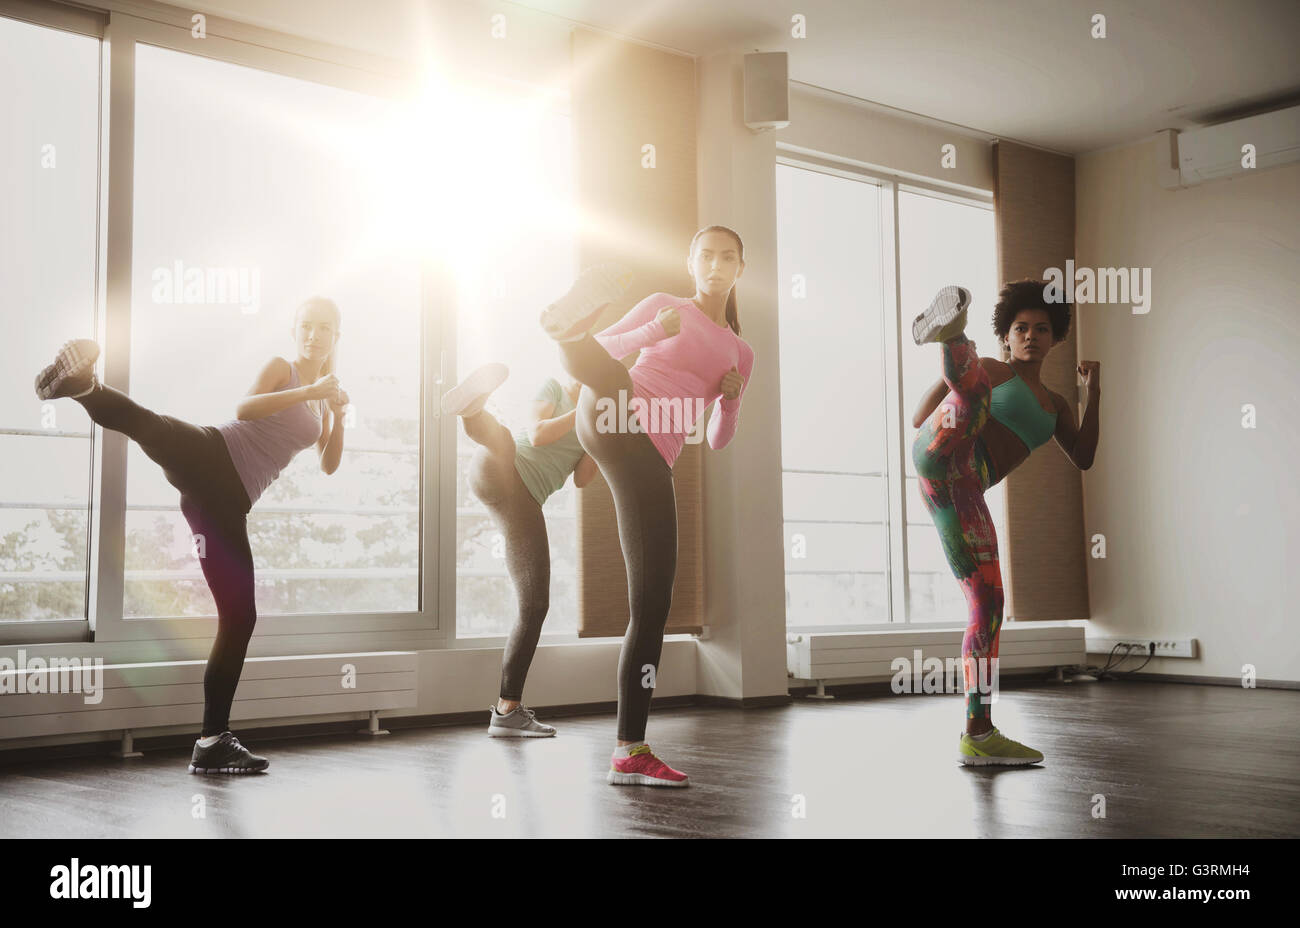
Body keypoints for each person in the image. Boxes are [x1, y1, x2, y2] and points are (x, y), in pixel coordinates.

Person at [34, 297, 350, 774]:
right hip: (215, 453)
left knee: (239, 616)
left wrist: (338, 414)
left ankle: (211, 741)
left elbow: (328, 462)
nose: (313, 335)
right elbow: (244, 407)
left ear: (336, 336)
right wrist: (308, 394)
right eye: (306, 326)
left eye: (323, 328)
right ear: (295, 330)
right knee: (152, 427)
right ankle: (82, 386)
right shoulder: (283, 368)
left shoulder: (323, 393)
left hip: (222, 503)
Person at [538, 226, 755, 786]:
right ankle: (568, 326)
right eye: (705, 254)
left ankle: (628, 749)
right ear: (690, 261)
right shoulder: (665, 305)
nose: (715, 264)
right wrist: (655, 329)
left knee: (652, 605)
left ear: (739, 268)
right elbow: (608, 351)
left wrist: (730, 402)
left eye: (726, 257)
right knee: (606, 369)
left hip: (649, 453)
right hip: (614, 409)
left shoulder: (739, 351)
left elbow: (717, 441)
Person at [909, 281, 1101, 766]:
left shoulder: (1056, 406)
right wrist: (963, 376)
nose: (1030, 336)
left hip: (961, 490)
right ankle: (950, 336)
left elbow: (1083, 457)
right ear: (1006, 337)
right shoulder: (993, 369)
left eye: (1041, 329)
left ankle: (979, 730)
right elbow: (918, 418)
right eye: (1020, 328)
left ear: (1055, 338)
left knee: (989, 604)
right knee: (973, 401)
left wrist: (1092, 393)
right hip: (942, 449)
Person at [440, 363, 599, 736]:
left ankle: (507, 710)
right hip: (499, 467)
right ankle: (473, 410)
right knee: (505, 441)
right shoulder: (553, 388)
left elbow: (582, 478)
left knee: (535, 605)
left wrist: (601, 435)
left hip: (523, 500)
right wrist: (583, 412)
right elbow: (539, 434)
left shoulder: (594, 419)